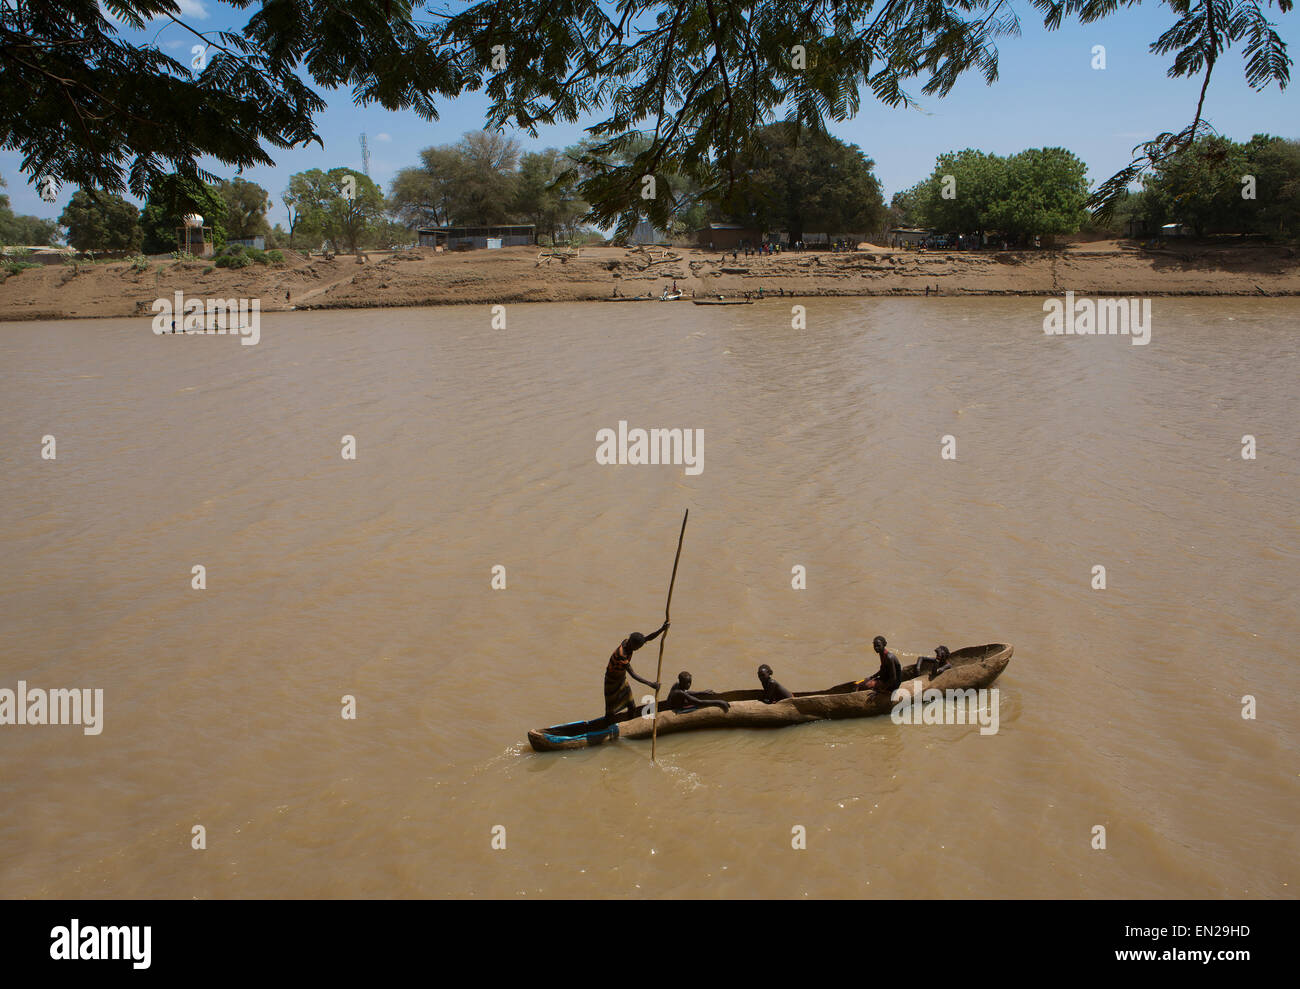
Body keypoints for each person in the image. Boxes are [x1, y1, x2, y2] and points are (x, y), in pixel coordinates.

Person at [604, 624, 667, 719]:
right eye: (637, 647)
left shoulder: (629, 642)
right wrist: (651, 684)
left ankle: (630, 724)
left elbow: (648, 638)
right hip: (611, 681)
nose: (637, 649)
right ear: (633, 644)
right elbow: (633, 674)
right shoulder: (622, 654)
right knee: (610, 711)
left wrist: (662, 629)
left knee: (632, 706)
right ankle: (607, 727)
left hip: (621, 679)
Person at [664, 671, 730, 713]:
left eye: (690, 682)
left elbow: (686, 692)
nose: (689, 684)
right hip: (675, 710)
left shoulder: (677, 685)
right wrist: (719, 702)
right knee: (699, 706)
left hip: (672, 705)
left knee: (694, 700)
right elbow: (698, 702)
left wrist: (701, 692)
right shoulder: (679, 692)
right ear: (681, 682)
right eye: (687, 683)